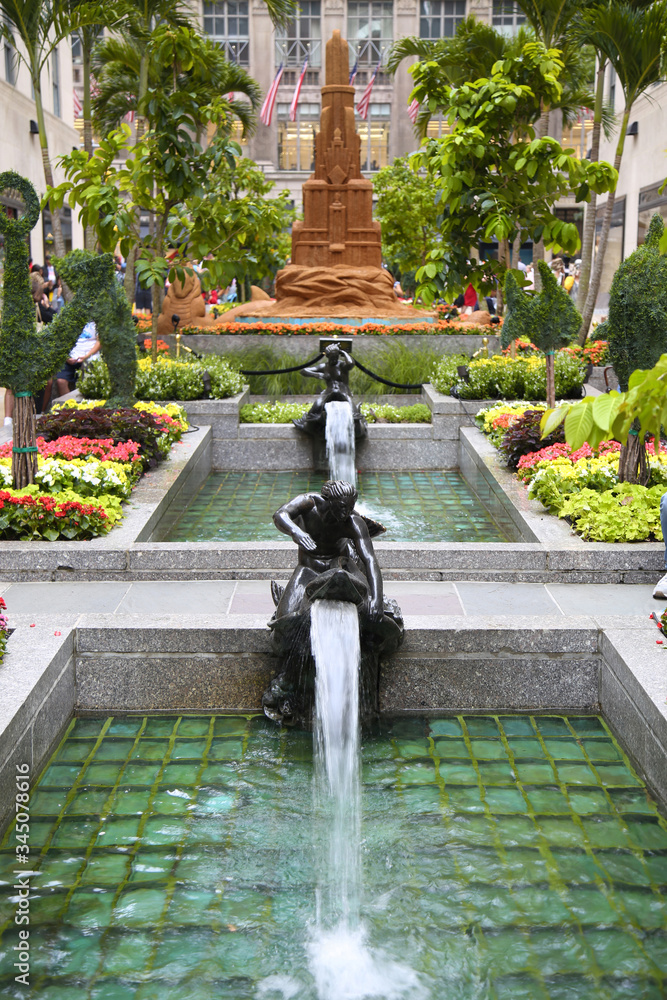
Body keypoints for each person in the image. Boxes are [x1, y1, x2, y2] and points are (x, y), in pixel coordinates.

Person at [272, 479, 384, 621]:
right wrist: (295, 531)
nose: (346, 513)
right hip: (308, 569)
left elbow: (370, 560)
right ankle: (290, 597)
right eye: (342, 507)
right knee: (284, 618)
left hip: (341, 569)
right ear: (329, 500)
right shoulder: (308, 503)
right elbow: (280, 514)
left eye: (350, 507)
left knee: (371, 612)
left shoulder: (353, 522)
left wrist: (377, 598)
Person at [56, 321, 100, 396]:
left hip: (90, 357)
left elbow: (100, 341)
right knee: (61, 381)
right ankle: (69, 406)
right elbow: (60, 340)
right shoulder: (70, 317)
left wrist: (87, 356)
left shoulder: (98, 318)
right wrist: (66, 357)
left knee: (89, 382)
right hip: (71, 356)